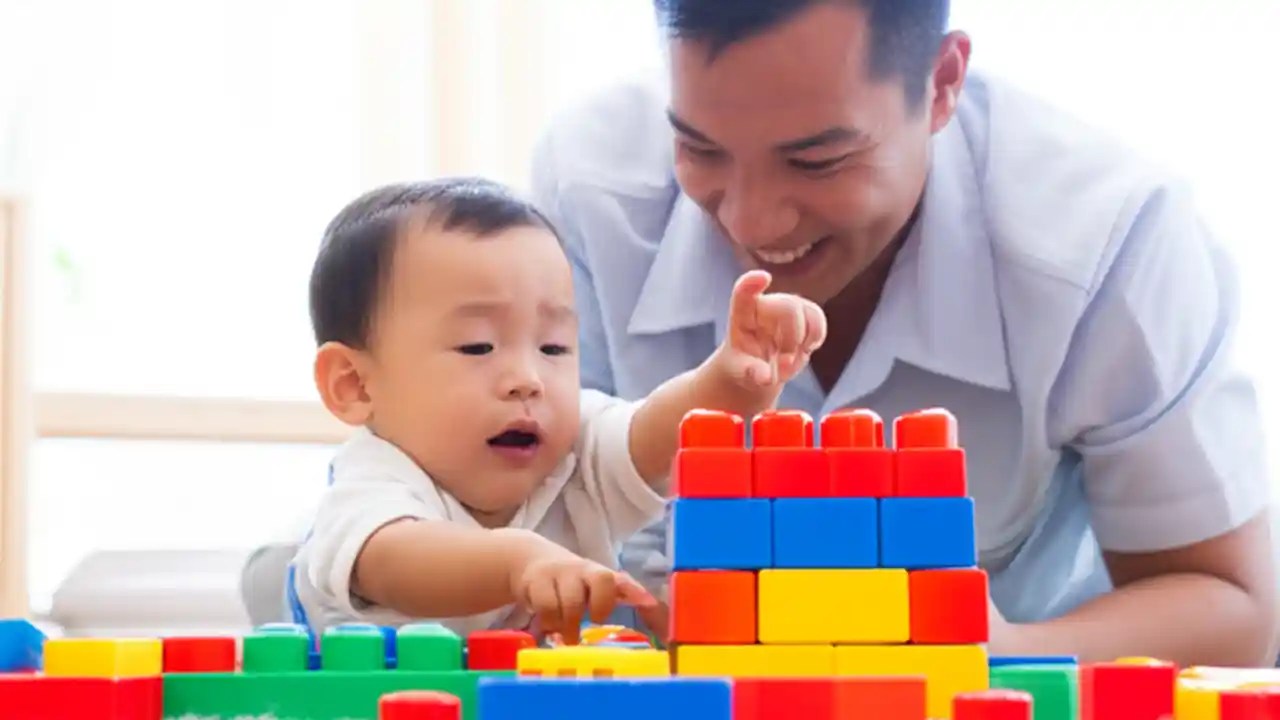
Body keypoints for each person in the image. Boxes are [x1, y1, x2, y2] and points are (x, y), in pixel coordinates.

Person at [529, 0, 1278, 665]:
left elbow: (1234, 608)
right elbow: (511, 511)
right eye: (699, 150)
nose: (750, 222)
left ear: (942, 83)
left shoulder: (1109, 240)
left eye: (817, 160)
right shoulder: (589, 189)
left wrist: (989, 654)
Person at [288, 177, 826, 644]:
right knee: (286, 568)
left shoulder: (571, 448)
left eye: (553, 348)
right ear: (355, 385)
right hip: (384, 701)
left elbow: (661, 431)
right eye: (477, 347)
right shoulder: (374, 479)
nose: (528, 379)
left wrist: (733, 376)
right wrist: (519, 561)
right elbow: (394, 562)